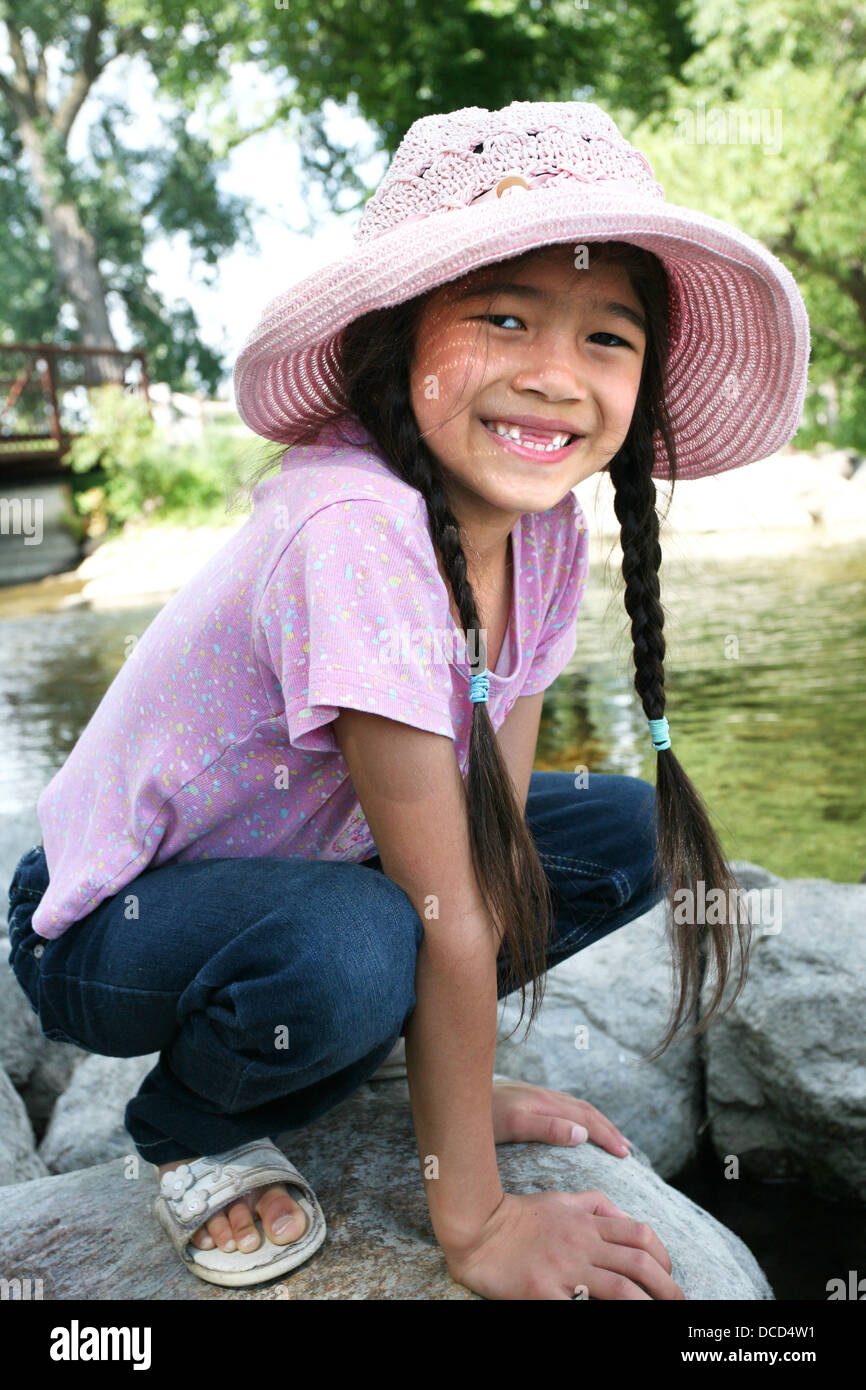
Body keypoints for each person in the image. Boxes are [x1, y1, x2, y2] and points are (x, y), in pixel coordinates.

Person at [6, 99, 810, 1300]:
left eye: (606, 337)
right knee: (369, 939)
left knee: (612, 830)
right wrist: (475, 1220)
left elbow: (484, 855)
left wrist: (458, 1081)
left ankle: (378, 1049)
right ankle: (189, 1126)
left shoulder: (537, 535)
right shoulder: (351, 525)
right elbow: (439, 906)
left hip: (324, 873)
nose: (554, 376)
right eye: (502, 318)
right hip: (116, 922)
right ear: (397, 338)